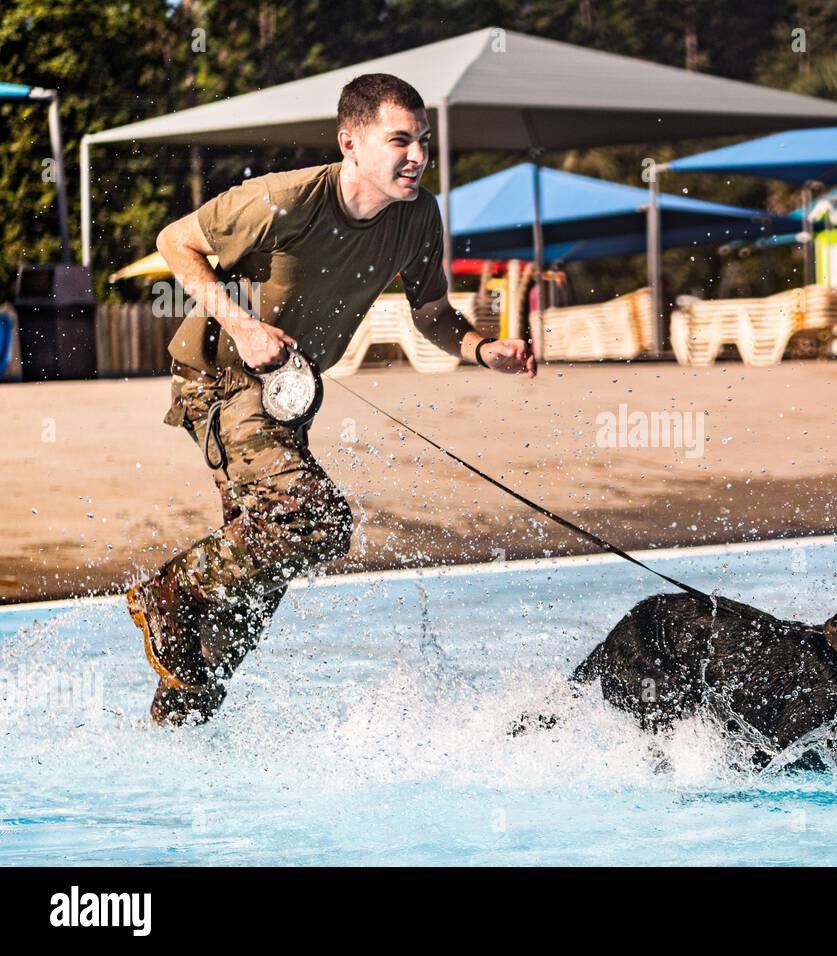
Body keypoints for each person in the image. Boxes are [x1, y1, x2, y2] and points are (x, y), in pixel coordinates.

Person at [128, 73, 536, 726]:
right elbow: (174, 241)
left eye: (423, 142)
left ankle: (183, 711)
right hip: (221, 375)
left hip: (288, 396)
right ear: (350, 142)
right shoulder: (284, 201)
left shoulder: (417, 217)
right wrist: (243, 325)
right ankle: (169, 590)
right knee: (310, 518)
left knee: (269, 557)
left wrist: (485, 349)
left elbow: (431, 313)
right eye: (400, 140)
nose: (418, 156)